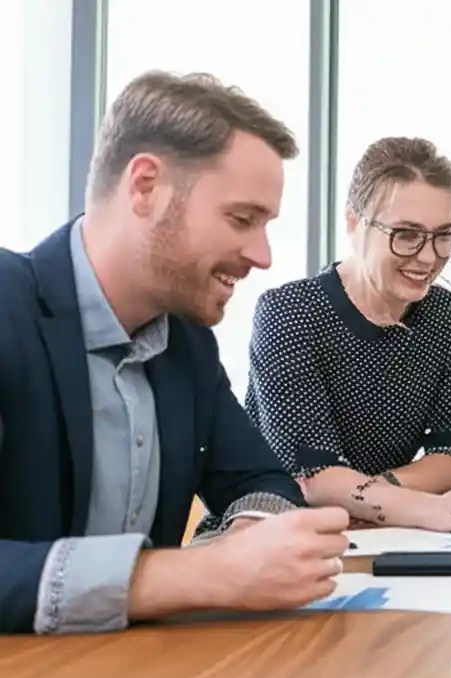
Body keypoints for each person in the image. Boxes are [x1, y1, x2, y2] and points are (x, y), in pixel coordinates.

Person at [0, 71, 350, 635]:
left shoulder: (185, 343)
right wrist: (197, 575)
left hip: (146, 671)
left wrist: (252, 537)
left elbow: (263, 480)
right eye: (242, 219)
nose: (262, 255)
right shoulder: (8, 306)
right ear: (145, 187)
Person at [245, 137, 451, 532]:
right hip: (273, 533)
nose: (429, 257)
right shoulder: (290, 313)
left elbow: (447, 457)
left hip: (382, 532)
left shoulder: (446, 315)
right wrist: (415, 506)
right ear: (354, 222)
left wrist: (372, 497)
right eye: (406, 234)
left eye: (443, 235)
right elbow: (312, 477)